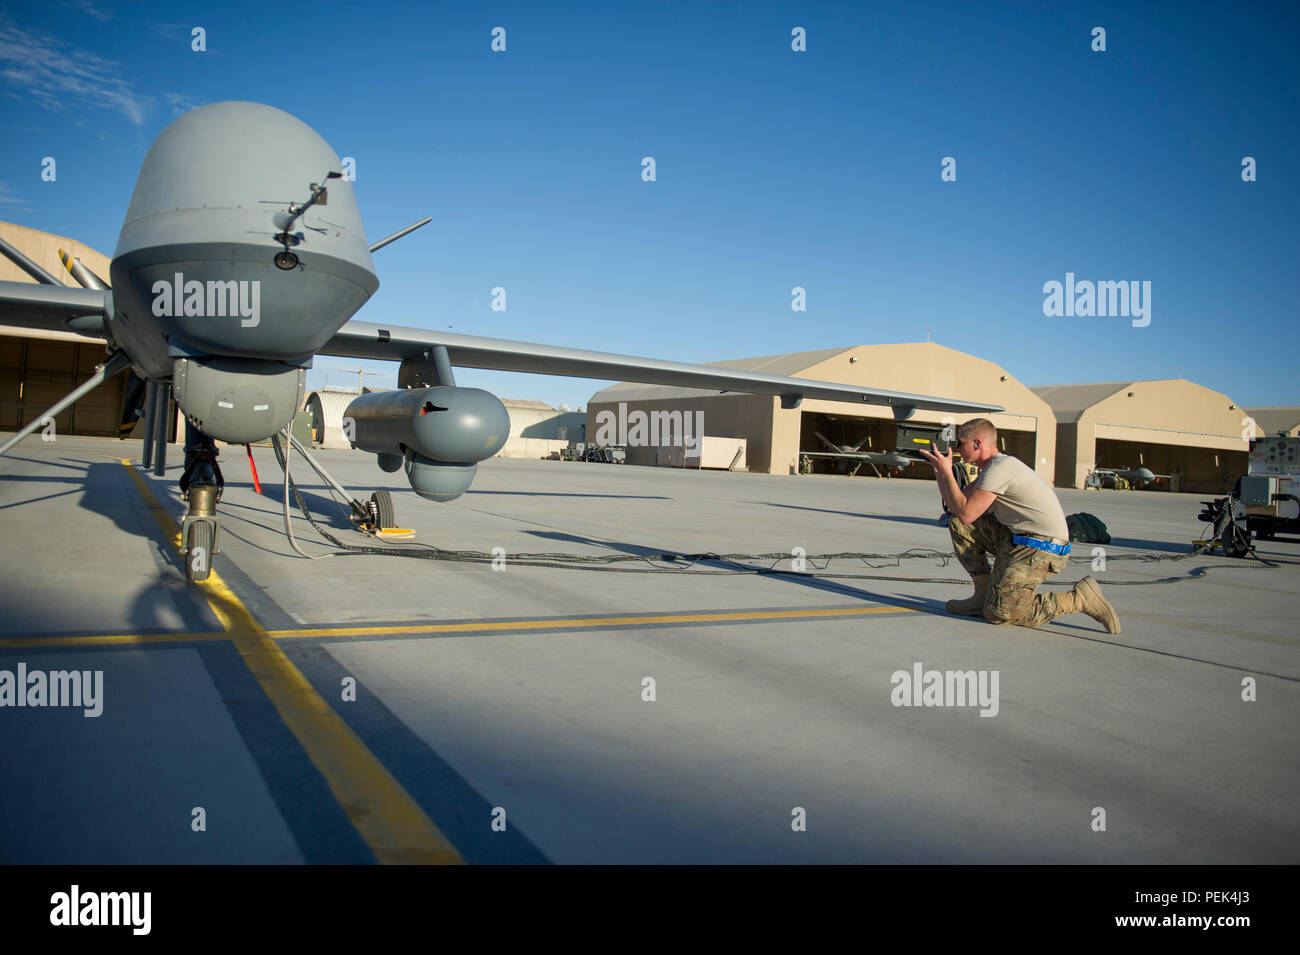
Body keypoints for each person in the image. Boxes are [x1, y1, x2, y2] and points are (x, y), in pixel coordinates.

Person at [916, 418, 1120, 633]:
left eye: (961, 442)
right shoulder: (994, 467)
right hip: (1019, 540)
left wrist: (948, 472)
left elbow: (967, 513)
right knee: (959, 526)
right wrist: (940, 471)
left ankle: (1078, 599)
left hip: (1043, 548)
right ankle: (982, 596)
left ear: (977, 444)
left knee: (1000, 613)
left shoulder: (1001, 468)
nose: (957, 448)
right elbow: (956, 509)